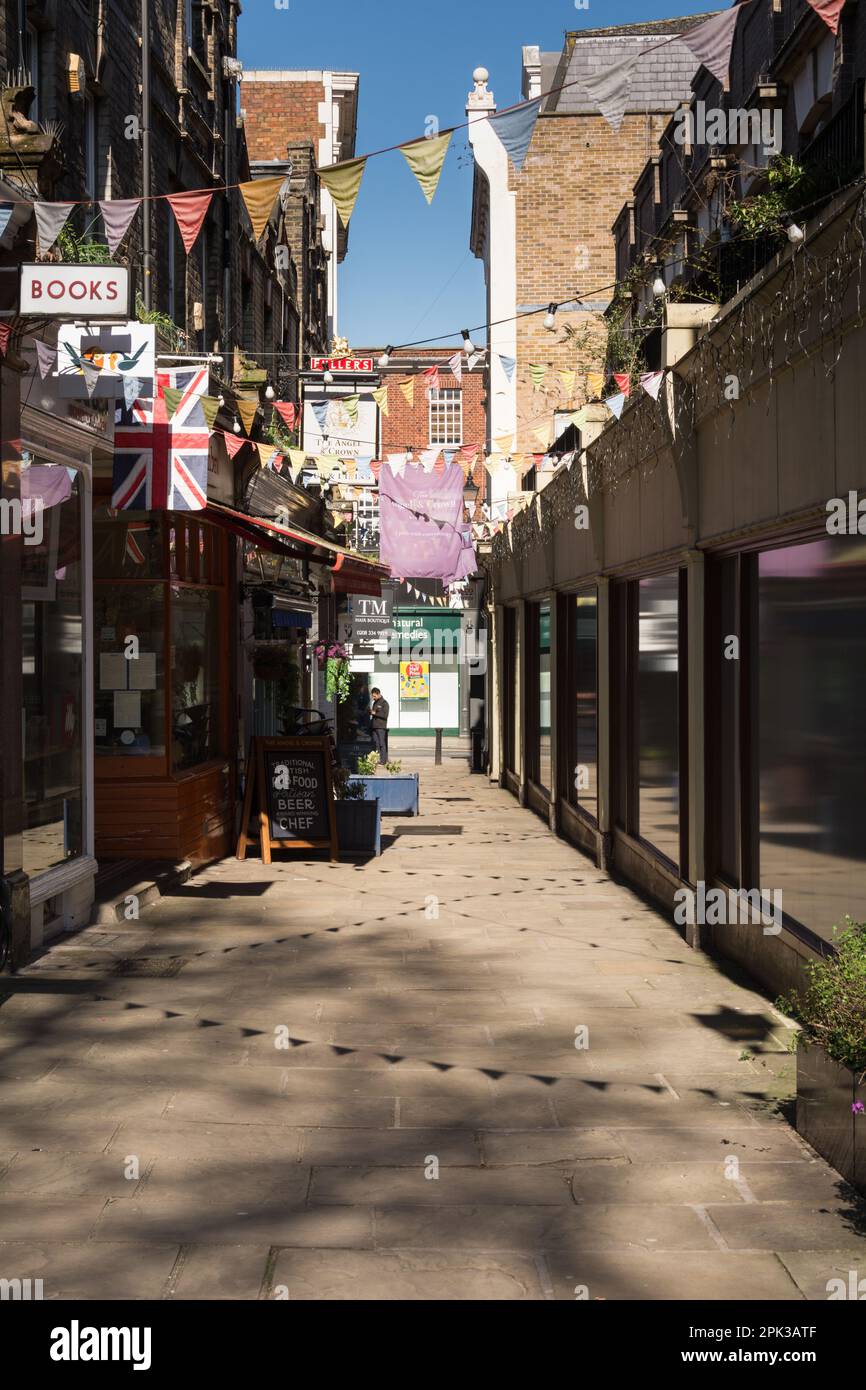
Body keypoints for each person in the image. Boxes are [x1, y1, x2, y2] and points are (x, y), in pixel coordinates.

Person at [370, 686, 389, 761]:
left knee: (382, 744)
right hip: (374, 726)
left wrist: (375, 713)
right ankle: (377, 759)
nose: (373, 698)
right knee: (376, 744)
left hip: (381, 727)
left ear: (378, 694)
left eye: (374, 696)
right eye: (372, 696)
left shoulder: (384, 703)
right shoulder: (375, 702)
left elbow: (385, 715)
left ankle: (383, 760)